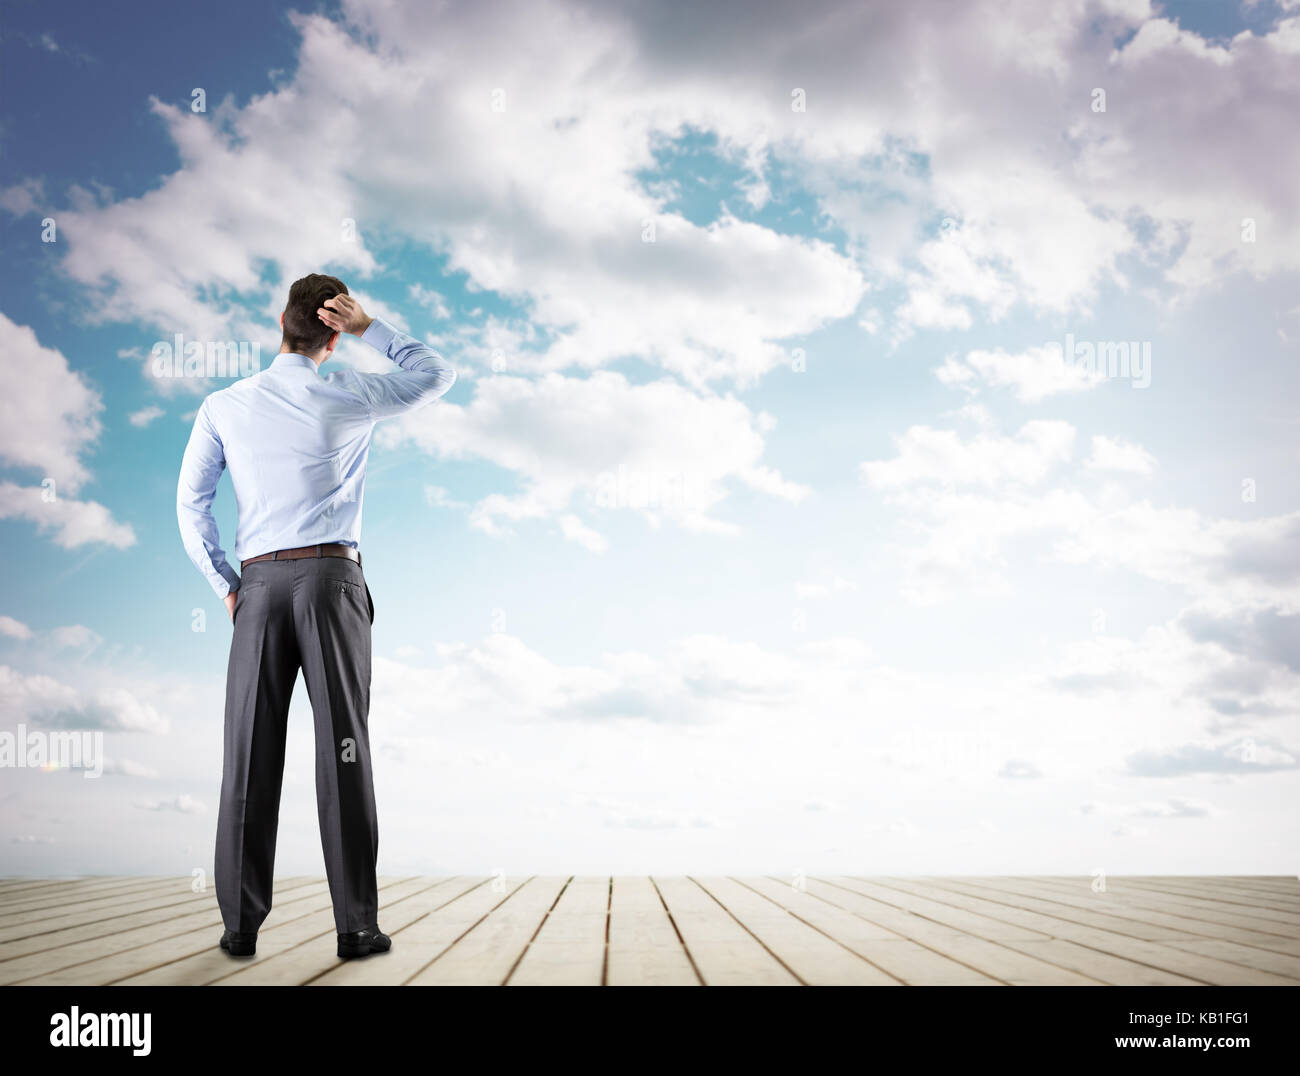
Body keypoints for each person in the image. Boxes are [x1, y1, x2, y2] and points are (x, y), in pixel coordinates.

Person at [177, 273, 455, 958]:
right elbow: (436, 375)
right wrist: (370, 328)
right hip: (332, 581)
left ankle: (239, 928)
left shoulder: (223, 405)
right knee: (344, 750)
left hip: (258, 587)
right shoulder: (351, 393)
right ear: (335, 333)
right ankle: (356, 927)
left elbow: (191, 505)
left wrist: (227, 586)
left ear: (281, 321)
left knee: (248, 754)